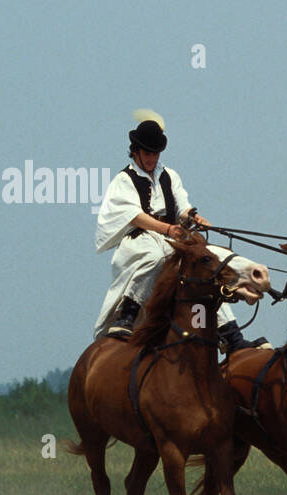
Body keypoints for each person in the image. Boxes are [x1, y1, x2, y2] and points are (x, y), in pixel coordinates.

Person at [92, 110, 270, 354]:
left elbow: (182, 206)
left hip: (171, 238)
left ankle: (231, 335)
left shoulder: (170, 175)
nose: (152, 158)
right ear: (135, 151)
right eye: (147, 153)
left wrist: (194, 217)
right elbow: (133, 215)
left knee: (207, 268)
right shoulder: (124, 180)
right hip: (141, 239)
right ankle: (127, 313)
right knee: (156, 256)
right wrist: (167, 228)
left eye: (155, 153)